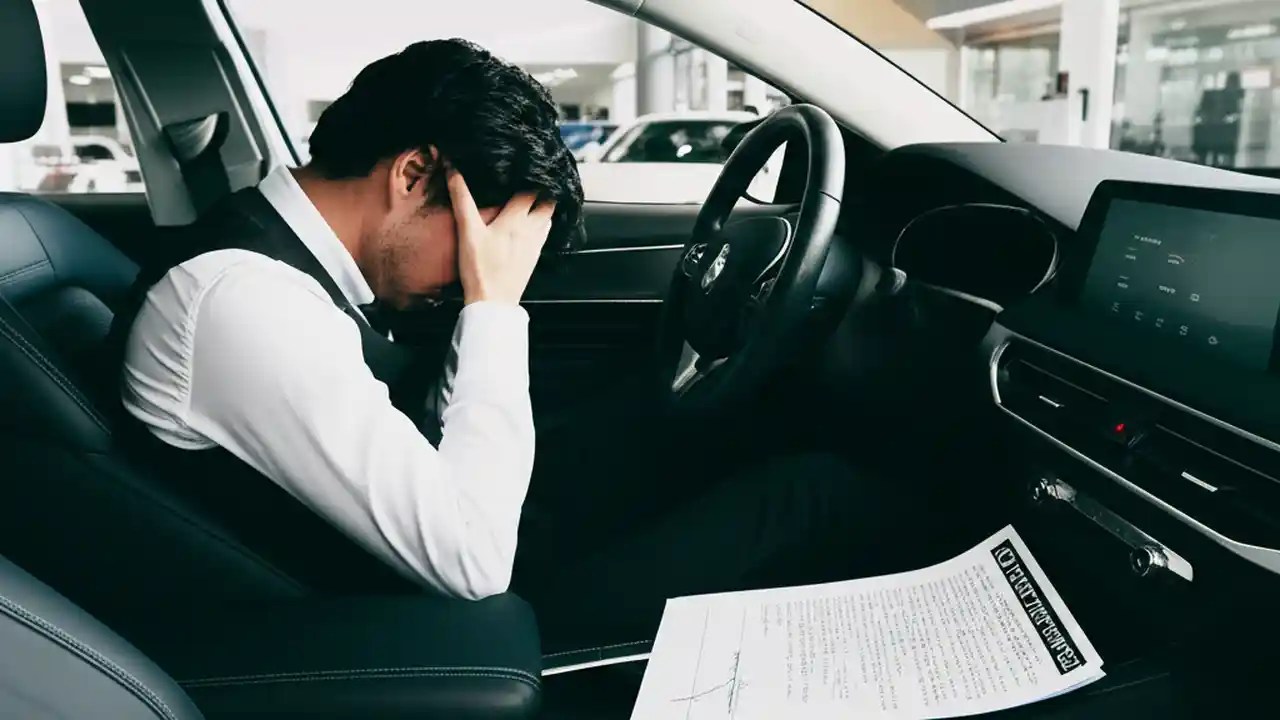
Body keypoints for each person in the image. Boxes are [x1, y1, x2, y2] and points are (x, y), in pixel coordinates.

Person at [118, 38, 917, 652]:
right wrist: (492, 306)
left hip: (423, 554)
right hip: (433, 632)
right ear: (415, 173)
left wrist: (483, 312)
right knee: (811, 494)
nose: (477, 271)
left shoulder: (294, 275)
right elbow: (469, 562)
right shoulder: (241, 301)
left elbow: (414, 432)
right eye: (479, 237)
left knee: (724, 425)